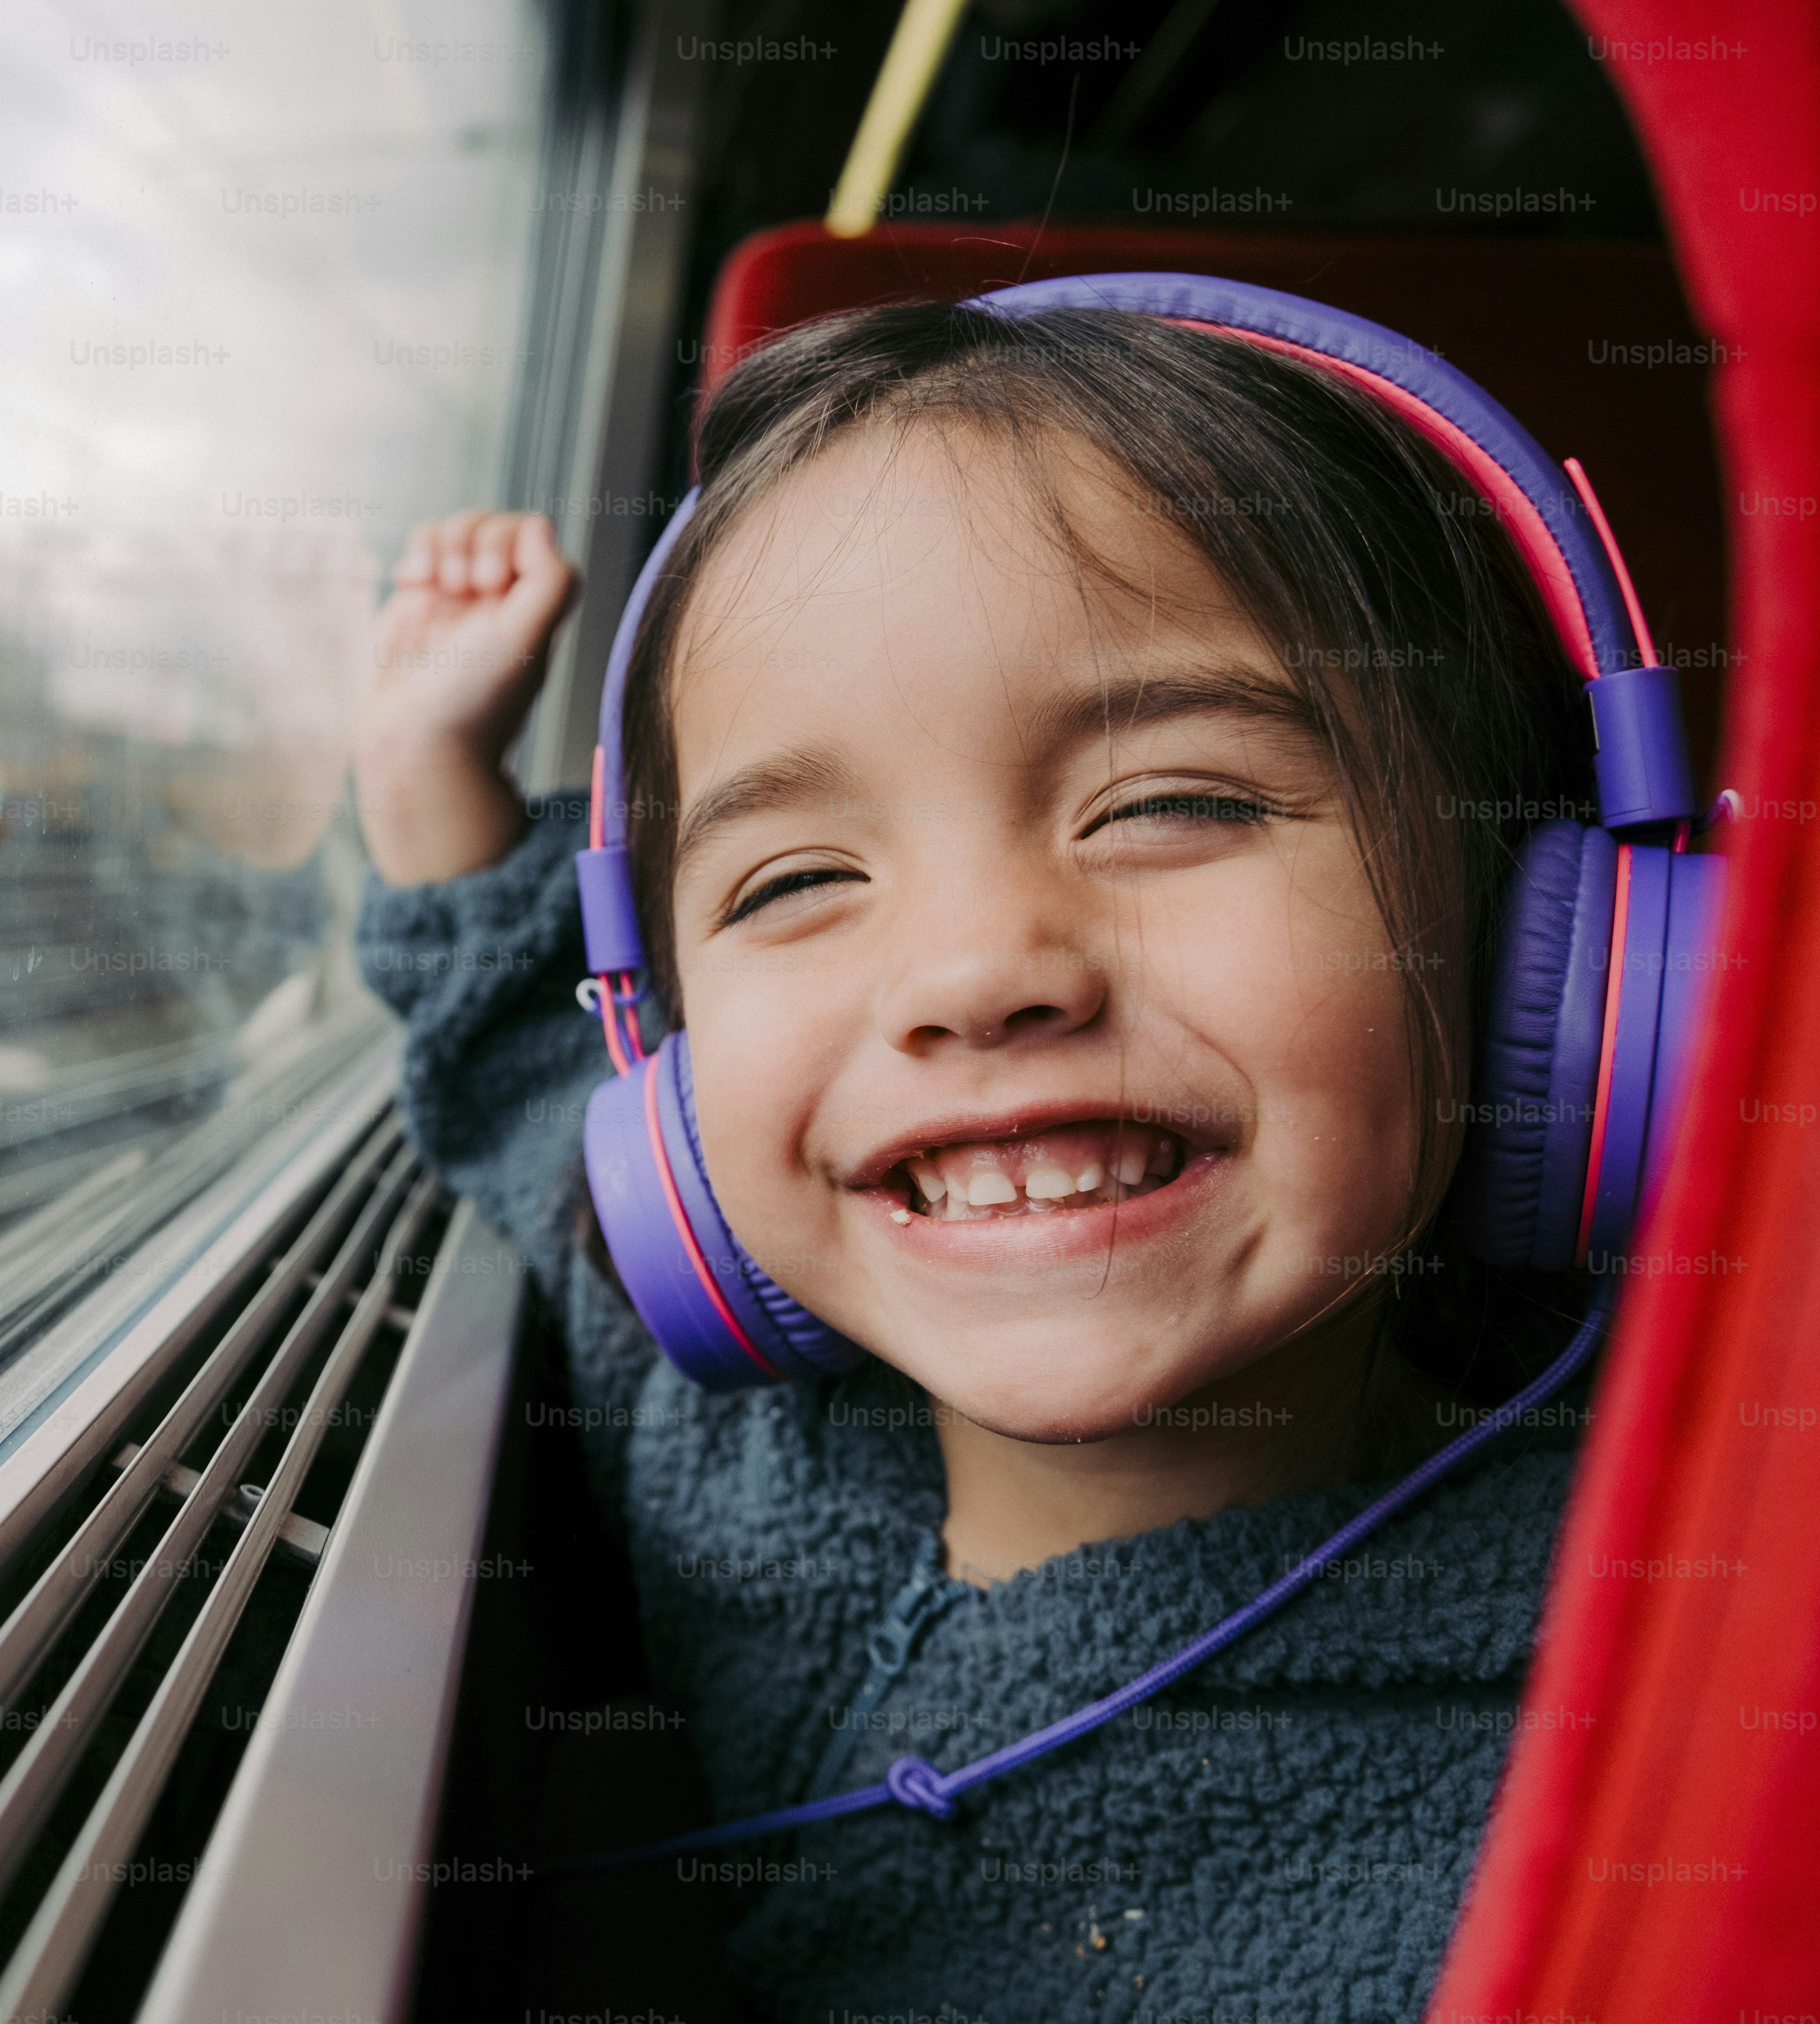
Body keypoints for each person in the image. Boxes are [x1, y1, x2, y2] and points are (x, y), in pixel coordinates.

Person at [353, 297, 1604, 2020]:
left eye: (1172, 802)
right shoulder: (732, 1419)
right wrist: (429, 778)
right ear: (674, 1095)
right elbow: (523, 1073)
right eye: (792, 881)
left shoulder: (1613, 1773)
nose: (973, 971)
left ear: (1560, 951)